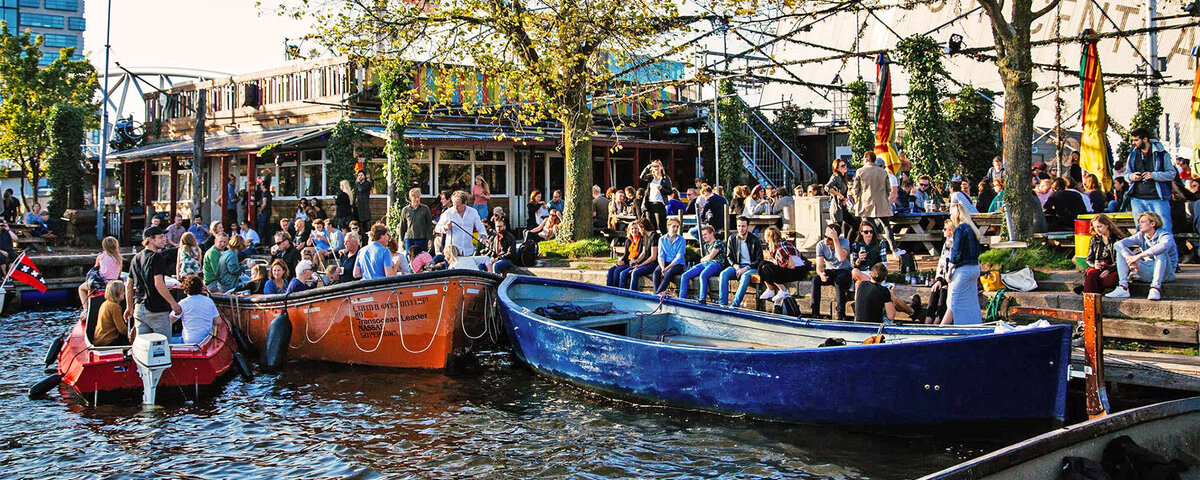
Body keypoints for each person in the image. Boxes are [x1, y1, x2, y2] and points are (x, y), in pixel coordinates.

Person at [124, 226, 183, 336]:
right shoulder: (157, 257)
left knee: (144, 348)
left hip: (139, 308)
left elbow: (129, 285)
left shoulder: (136, 258)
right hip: (157, 309)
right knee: (163, 347)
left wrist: (129, 307)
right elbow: (158, 283)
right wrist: (173, 303)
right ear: (150, 240)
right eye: (160, 237)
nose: (164, 240)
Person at [1105, 212, 1177, 301]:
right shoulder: (1141, 235)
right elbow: (1118, 244)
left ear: (1152, 224)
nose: (1139, 224)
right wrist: (1129, 258)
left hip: (1166, 273)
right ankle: (1123, 287)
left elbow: (1164, 246)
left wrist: (1138, 256)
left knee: (1160, 251)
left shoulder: (1165, 235)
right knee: (1121, 251)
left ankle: (1155, 288)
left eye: (1142, 222)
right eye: (1139, 222)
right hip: (1147, 270)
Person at [1125, 128, 1178, 236]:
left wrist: (1154, 175)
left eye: (1136, 140)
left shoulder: (1162, 154)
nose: (1133, 143)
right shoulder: (1133, 155)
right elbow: (1126, 174)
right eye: (1132, 140)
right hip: (1137, 198)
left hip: (1158, 197)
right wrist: (1131, 176)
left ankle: (1166, 252)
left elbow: (1172, 173)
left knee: (1164, 228)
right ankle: (1145, 252)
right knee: (1141, 231)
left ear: (1145, 139)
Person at [943, 204, 983, 325]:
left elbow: (956, 251)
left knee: (952, 302)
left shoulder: (960, 229)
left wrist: (949, 270)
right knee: (971, 302)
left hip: (963, 270)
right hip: (975, 268)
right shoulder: (972, 228)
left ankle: (941, 329)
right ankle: (975, 326)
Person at [1074, 214, 1128, 295]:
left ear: (1107, 225)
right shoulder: (1095, 239)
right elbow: (1089, 259)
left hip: (1113, 268)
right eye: (1095, 227)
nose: (1097, 229)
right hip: (1098, 267)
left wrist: (1109, 270)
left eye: (1099, 226)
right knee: (1091, 274)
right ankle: (1089, 295)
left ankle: (1086, 287)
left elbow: (1121, 261)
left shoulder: (1117, 239)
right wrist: (1094, 265)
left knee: (1111, 279)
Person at [718, 216, 764, 308]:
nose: (740, 229)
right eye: (739, 226)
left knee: (745, 276)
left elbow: (759, 259)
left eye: (743, 226)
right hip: (737, 266)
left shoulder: (755, 240)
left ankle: (735, 305)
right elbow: (729, 256)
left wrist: (745, 269)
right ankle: (722, 304)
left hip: (751, 267)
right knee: (724, 274)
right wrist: (736, 266)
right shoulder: (732, 238)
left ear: (747, 227)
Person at [810, 224, 853, 320]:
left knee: (839, 280)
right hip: (831, 270)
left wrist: (835, 240)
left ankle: (840, 314)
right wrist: (821, 274)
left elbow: (841, 258)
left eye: (829, 238)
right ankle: (815, 313)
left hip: (844, 270)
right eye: (825, 236)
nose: (826, 240)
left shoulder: (844, 242)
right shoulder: (820, 245)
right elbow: (819, 267)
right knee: (815, 279)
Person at [757, 226, 809, 304]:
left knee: (769, 269)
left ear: (769, 237)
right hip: (790, 269)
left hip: (798, 271)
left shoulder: (782, 247)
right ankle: (770, 289)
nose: (764, 237)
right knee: (762, 264)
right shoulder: (775, 247)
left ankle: (784, 290)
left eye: (765, 235)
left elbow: (791, 266)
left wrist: (777, 266)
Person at [679, 225, 727, 303]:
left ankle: (702, 298)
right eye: (702, 235)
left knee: (703, 275)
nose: (703, 237)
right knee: (685, 275)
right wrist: (704, 259)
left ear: (712, 233)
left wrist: (703, 259)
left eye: (705, 234)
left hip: (716, 264)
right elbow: (692, 232)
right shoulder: (705, 245)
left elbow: (710, 257)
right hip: (706, 264)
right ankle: (681, 298)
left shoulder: (718, 243)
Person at [436, 190, 488, 256]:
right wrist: (445, 228)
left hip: (468, 251)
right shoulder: (447, 213)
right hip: (452, 252)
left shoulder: (473, 212)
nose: (456, 208)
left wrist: (483, 236)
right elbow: (437, 228)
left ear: (465, 202)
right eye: (454, 205)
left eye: (458, 205)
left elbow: (480, 226)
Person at [170, 275, 218, 344]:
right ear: (201, 287)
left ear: (185, 288)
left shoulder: (183, 303)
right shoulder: (209, 301)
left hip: (188, 341)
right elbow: (218, 321)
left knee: (169, 339)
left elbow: (169, 321)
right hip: (206, 340)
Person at [76, 236, 123, 307]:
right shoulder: (119, 258)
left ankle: (86, 309)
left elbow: (94, 270)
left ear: (104, 247)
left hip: (102, 283)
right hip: (114, 283)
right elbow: (119, 273)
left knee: (82, 288)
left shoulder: (101, 257)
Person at [923, 223, 955, 324]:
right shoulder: (946, 243)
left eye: (945, 228)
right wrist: (939, 279)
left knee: (943, 293)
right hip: (945, 277)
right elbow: (941, 262)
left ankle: (938, 321)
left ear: (951, 230)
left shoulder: (956, 244)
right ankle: (927, 322)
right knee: (935, 289)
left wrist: (946, 281)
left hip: (952, 278)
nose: (943, 230)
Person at [651, 217, 687, 294]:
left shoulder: (682, 240)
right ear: (668, 226)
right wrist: (663, 267)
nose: (676, 229)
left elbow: (679, 257)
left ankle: (657, 295)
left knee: (669, 273)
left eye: (677, 227)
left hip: (677, 264)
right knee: (656, 272)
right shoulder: (662, 239)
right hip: (665, 262)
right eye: (673, 226)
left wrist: (667, 268)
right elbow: (661, 255)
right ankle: (658, 293)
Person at [622, 218, 660, 290]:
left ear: (643, 227)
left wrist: (640, 265)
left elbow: (653, 257)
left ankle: (632, 293)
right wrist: (636, 261)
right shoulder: (645, 236)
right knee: (626, 272)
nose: (639, 231)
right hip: (645, 262)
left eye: (639, 228)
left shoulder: (654, 236)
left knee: (635, 273)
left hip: (653, 264)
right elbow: (643, 252)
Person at [93, 280, 130, 346]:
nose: (124, 293)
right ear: (117, 292)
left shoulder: (105, 303)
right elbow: (122, 330)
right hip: (109, 341)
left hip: (99, 339)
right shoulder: (115, 307)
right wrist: (133, 331)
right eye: (123, 291)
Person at [640, 160, 672, 233]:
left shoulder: (665, 178)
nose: (656, 168)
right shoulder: (650, 177)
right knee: (650, 226)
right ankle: (653, 242)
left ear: (661, 167)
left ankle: (664, 242)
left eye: (657, 166)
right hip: (649, 203)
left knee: (661, 225)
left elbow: (670, 191)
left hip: (659, 203)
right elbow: (641, 177)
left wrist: (662, 189)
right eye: (654, 166)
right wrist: (648, 167)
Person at [607, 222, 642, 287]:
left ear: (639, 229)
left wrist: (626, 262)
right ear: (629, 230)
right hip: (627, 261)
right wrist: (620, 262)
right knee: (611, 270)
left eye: (636, 228)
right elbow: (626, 255)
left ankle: (618, 290)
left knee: (618, 271)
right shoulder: (628, 241)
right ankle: (609, 289)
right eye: (632, 229)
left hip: (634, 262)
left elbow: (639, 254)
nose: (634, 230)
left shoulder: (641, 240)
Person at [398, 187, 433, 251]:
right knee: (409, 257)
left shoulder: (425, 209)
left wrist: (430, 238)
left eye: (418, 197)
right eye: (415, 197)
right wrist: (401, 240)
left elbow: (429, 225)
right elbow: (403, 226)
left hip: (422, 238)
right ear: (410, 198)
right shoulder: (406, 210)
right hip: (410, 238)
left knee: (422, 257)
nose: (417, 199)